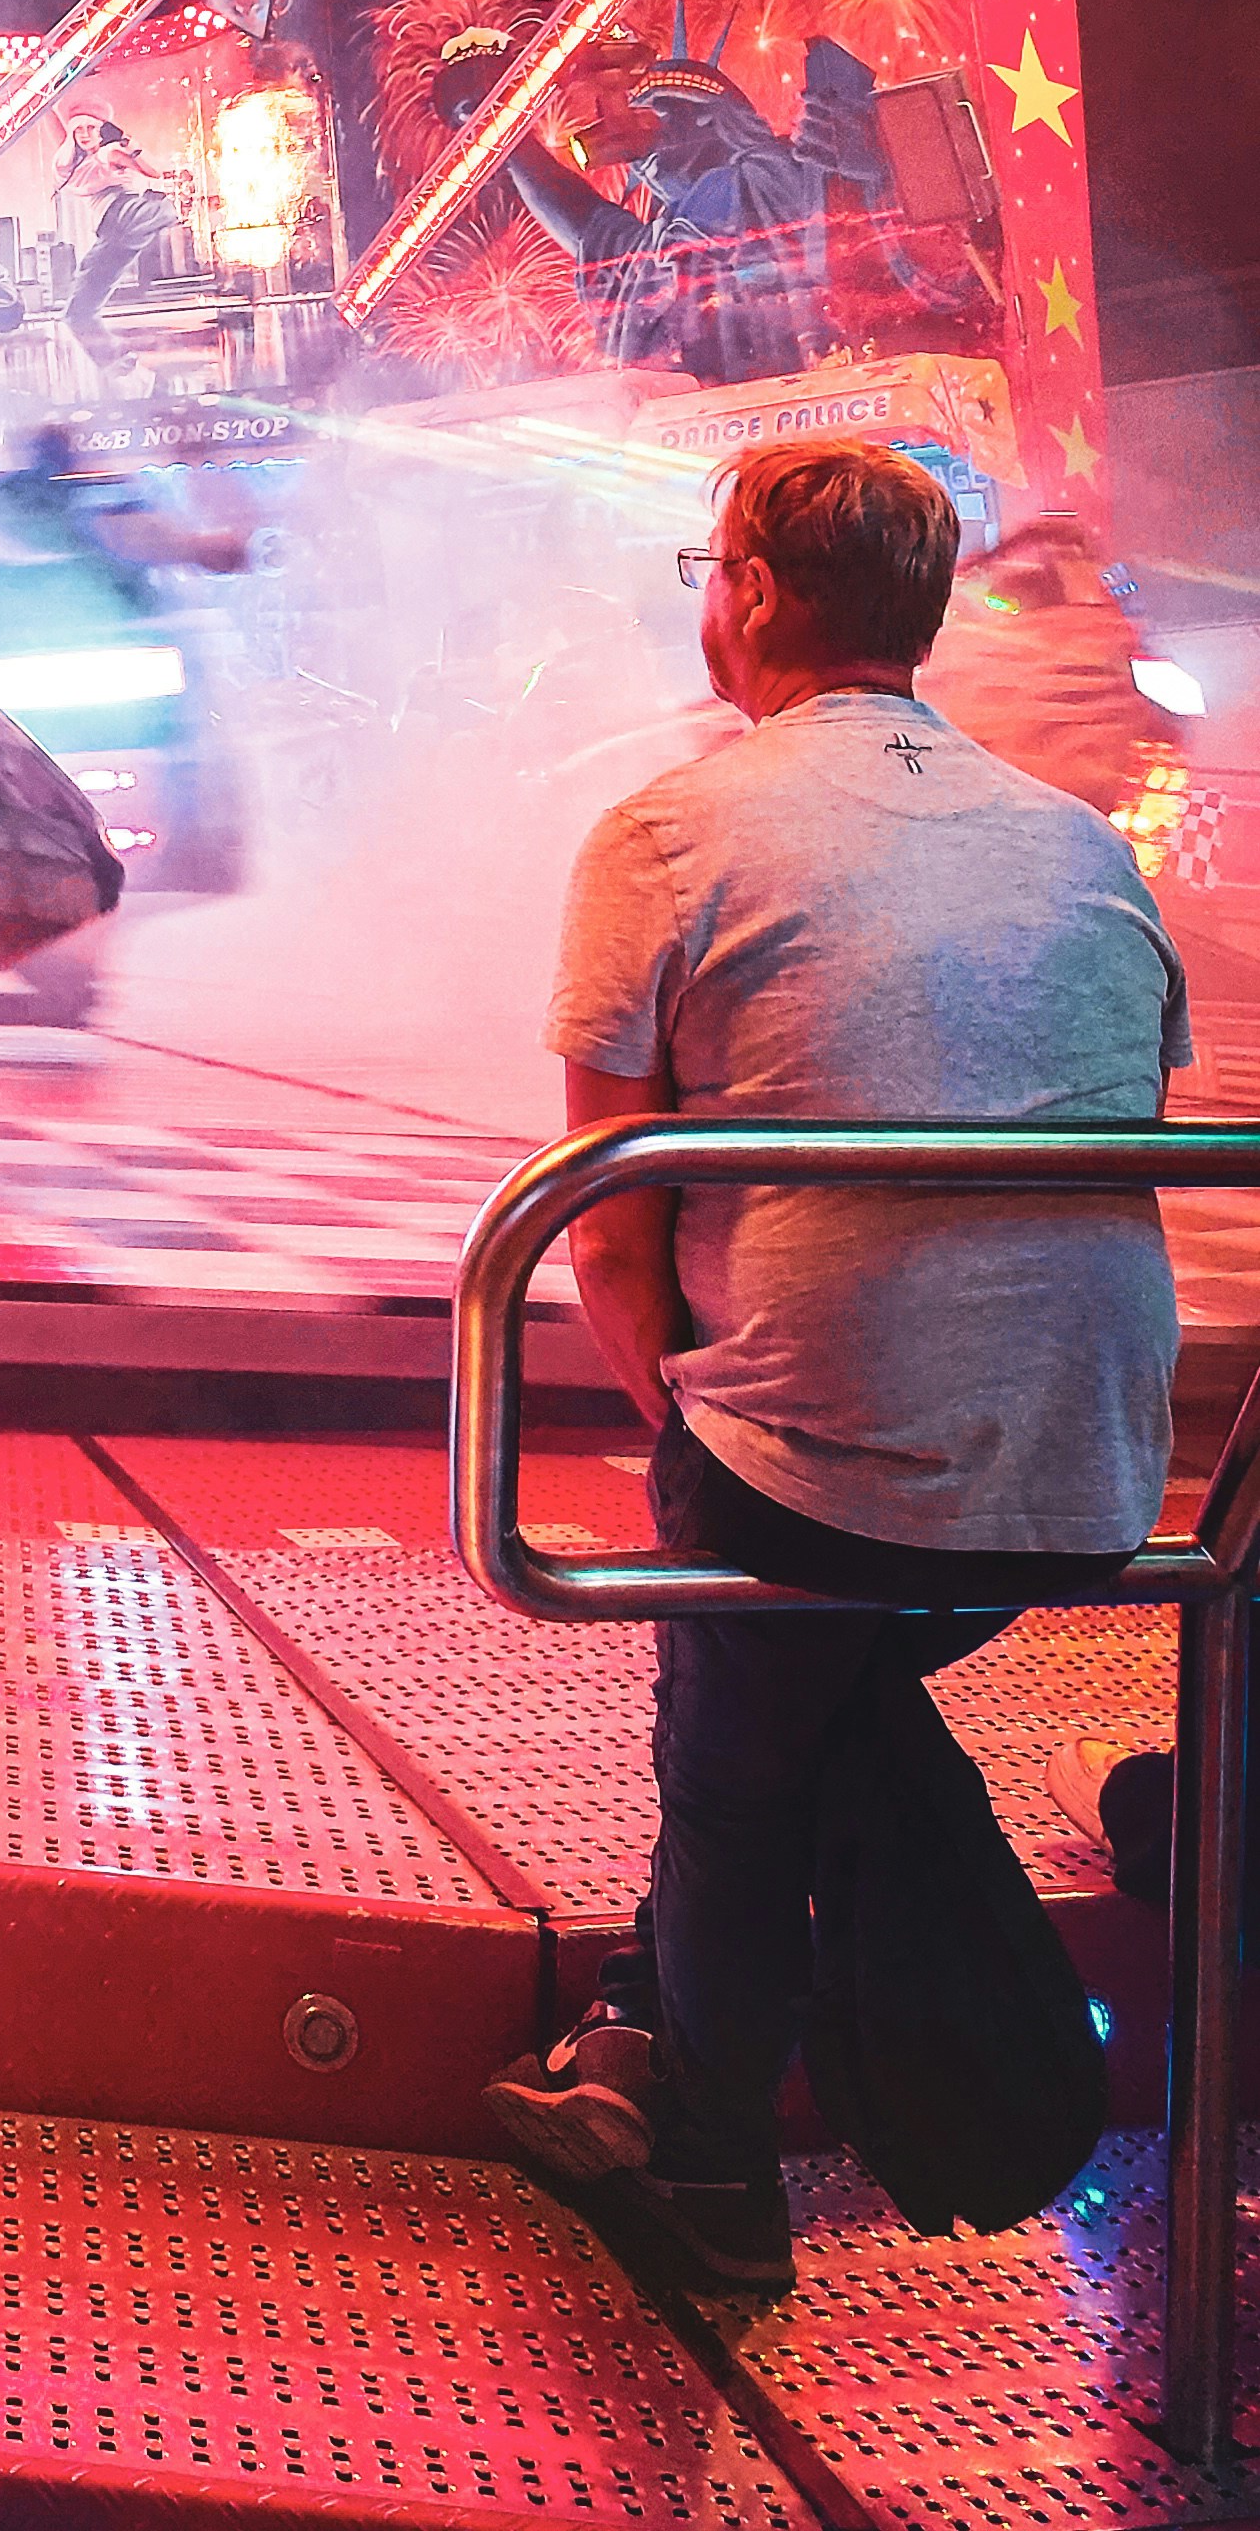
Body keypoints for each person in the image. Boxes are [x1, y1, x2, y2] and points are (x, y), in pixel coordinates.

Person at [485, 437, 1188, 2295]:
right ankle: (645, 2013)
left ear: (757, 595)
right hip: (1096, 1470)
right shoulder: (1077, 836)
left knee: (743, 1737)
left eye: (711, 570)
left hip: (827, 1471)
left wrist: (696, 1428)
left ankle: (712, 2166)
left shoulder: (666, 832)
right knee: (806, 1666)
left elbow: (610, 1230)